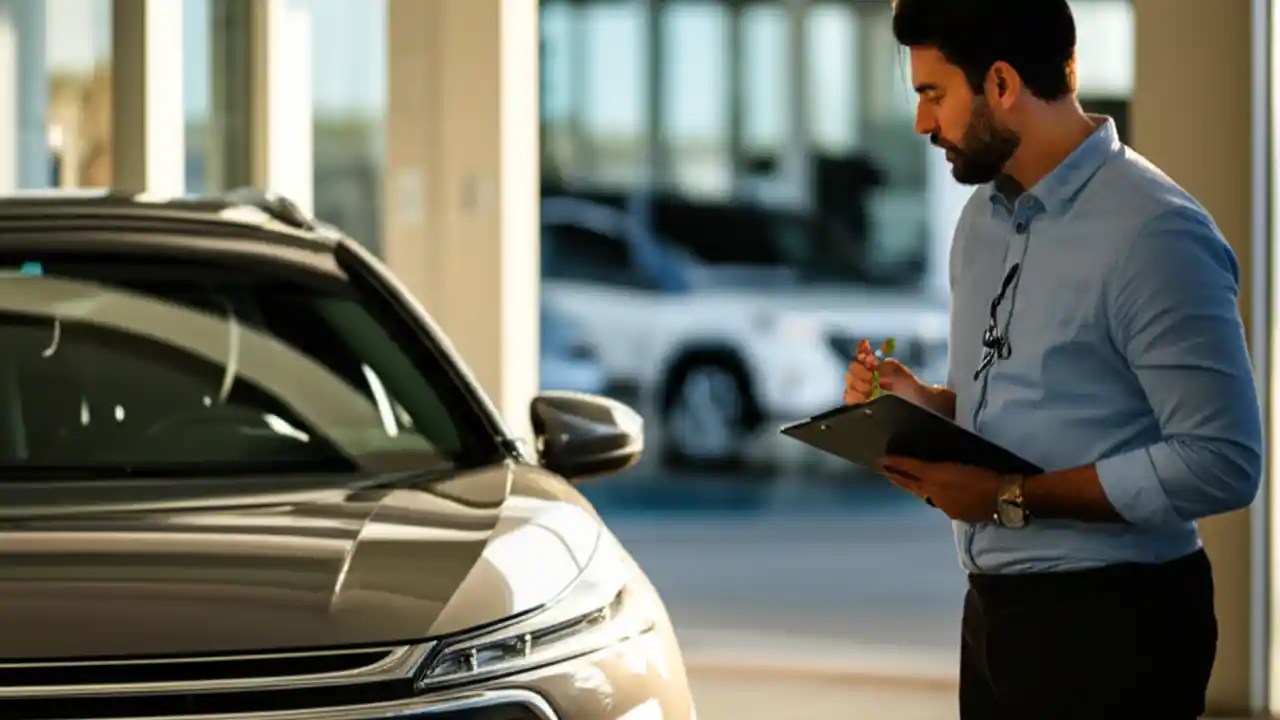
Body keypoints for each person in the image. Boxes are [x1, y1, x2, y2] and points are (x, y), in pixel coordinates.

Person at [842, 1, 1263, 718]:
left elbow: (1223, 459)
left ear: (1002, 83)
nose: (922, 124)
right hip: (995, 616)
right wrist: (926, 405)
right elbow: (1048, 398)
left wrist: (1009, 499)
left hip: (1119, 625)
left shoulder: (1156, 233)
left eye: (932, 94)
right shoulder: (982, 222)